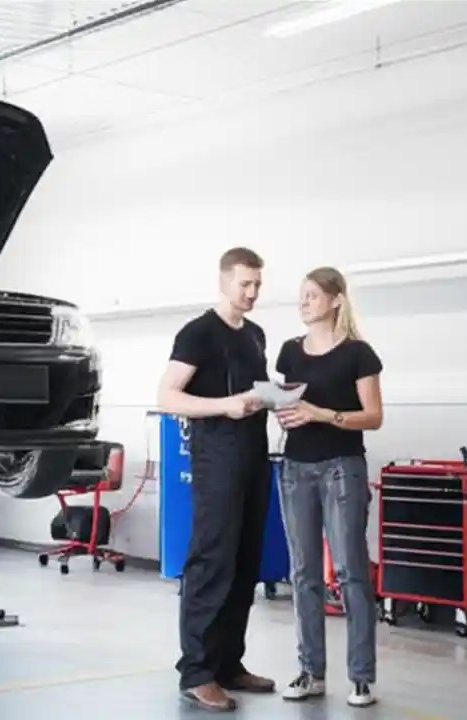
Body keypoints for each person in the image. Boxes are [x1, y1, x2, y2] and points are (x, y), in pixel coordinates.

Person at [157, 247, 276, 713]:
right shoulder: (198, 333)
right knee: (213, 561)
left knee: (246, 561)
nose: (251, 293)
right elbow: (168, 396)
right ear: (224, 281)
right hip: (217, 459)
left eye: (257, 285)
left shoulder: (257, 336)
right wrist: (222, 406)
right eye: (244, 284)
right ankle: (197, 671)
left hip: (254, 455)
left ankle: (228, 663)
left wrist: (273, 400)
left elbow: (253, 391)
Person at [272, 266, 383, 708]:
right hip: (296, 467)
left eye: (313, 295)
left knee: (351, 572)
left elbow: (373, 416)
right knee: (303, 574)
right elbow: (287, 403)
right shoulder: (288, 353)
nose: (304, 303)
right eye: (301, 296)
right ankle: (310, 672)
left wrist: (323, 414)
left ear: (336, 300)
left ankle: (361, 678)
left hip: (342, 468)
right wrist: (280, 408)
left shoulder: (359, 354)